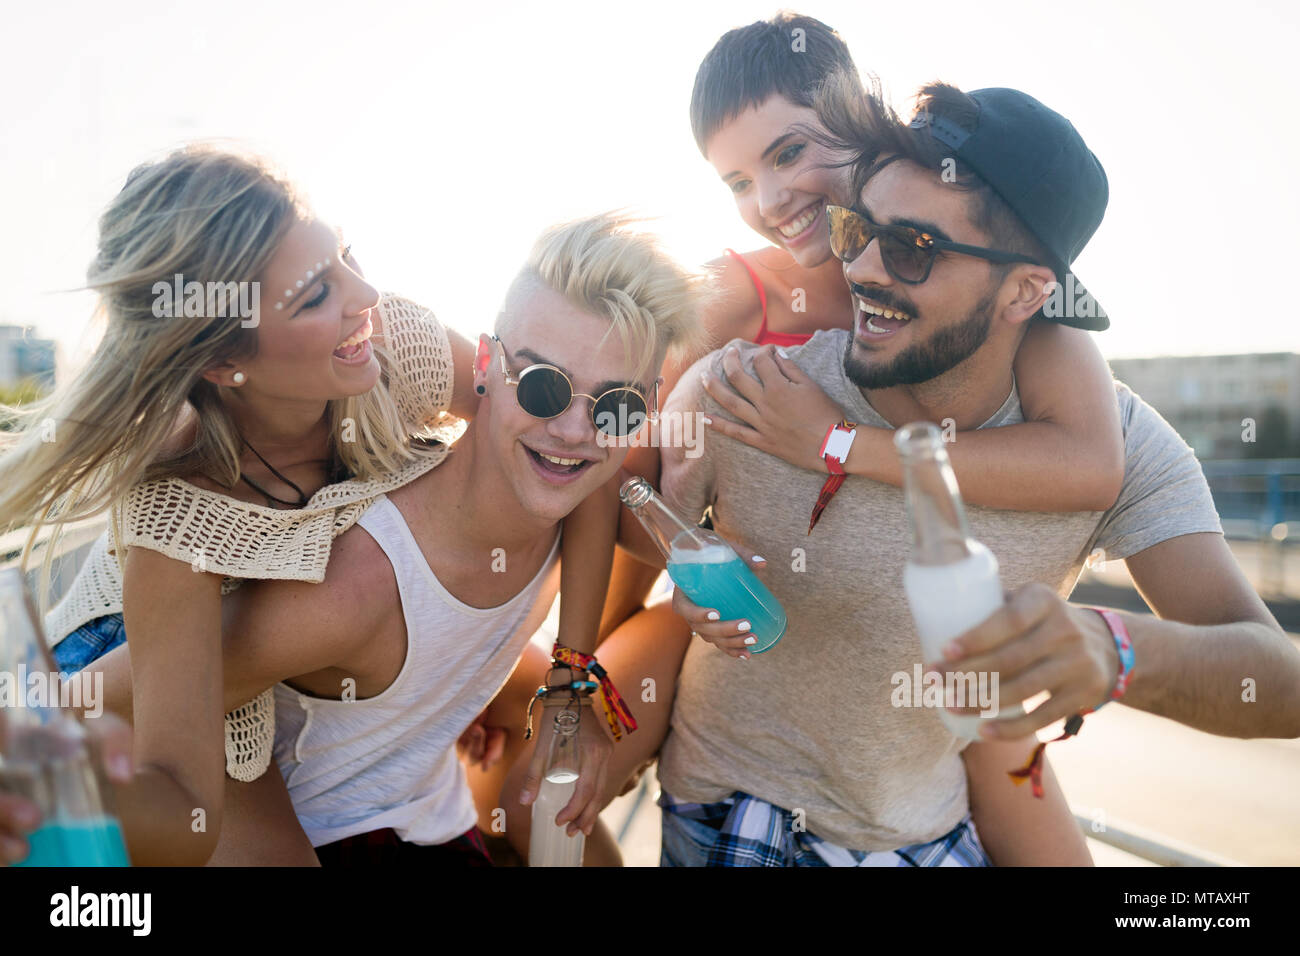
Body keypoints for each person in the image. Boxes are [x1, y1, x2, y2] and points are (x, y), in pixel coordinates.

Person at [489, 12, 1122, 864]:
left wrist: (830, 443)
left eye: (789, 154)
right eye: (736, 182)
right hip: (707, 591)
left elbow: (1089, 462)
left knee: (1000, 762)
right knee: (534, 793)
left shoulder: (991, 282)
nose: (770, 200)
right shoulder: (735, 297)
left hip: (892, 651)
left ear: (863, 112)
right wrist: (688, 563)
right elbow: (612, 467)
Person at [656, 75, 1300, 866]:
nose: (861, 269)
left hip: (925, 837)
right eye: (857, 228)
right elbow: (630, 517)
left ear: (1028, 290)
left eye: (913, 249)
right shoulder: (751, 390)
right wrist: (685, 578)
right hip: (729, 815)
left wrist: (1116, 649)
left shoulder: (1119, 444)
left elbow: (1281, 681)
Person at [0, 147, 620, 866]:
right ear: (223, 361)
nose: (364, 294)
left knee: (542, 744)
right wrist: (68, 780)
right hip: (130, 654)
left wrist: (570, 681)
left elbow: (566, 450)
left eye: (345, 255)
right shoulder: (179, 518)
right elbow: (184, 812)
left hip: (276, 631)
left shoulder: (394, 343)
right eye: (315, 294)